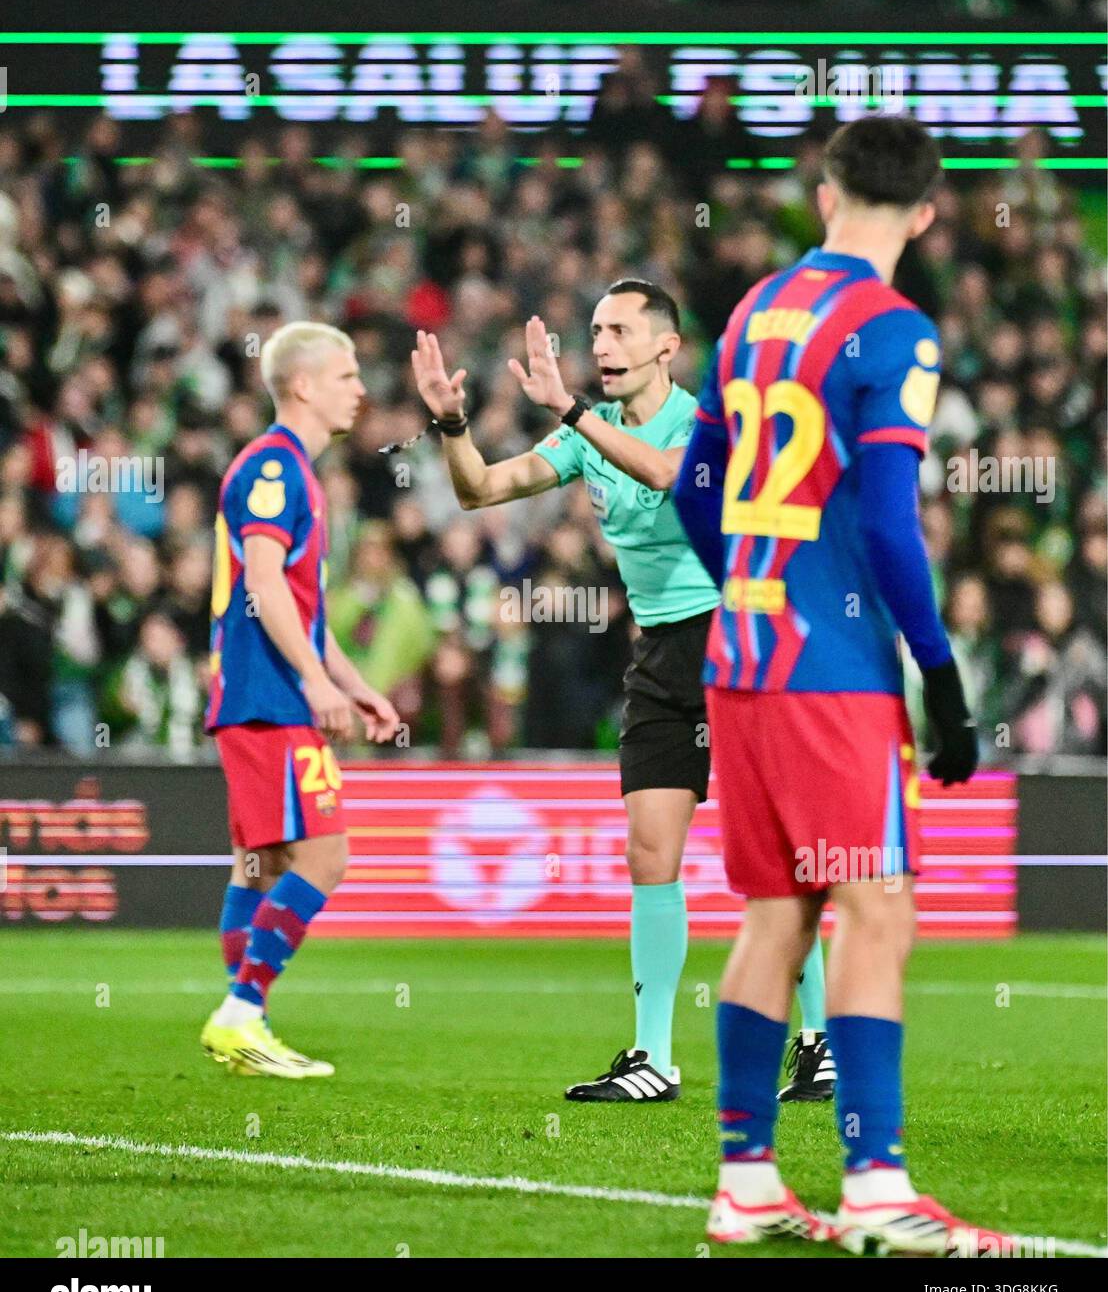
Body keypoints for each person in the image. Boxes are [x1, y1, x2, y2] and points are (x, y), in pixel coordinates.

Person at [674, 114, 1014, 1255]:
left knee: (779, 911)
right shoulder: (894, 329)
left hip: (741, 654)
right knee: (875, 907)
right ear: (924, 212)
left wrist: (750, 586)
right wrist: (942, 673)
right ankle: (876, 1186)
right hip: (829, 669)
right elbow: (882, 516)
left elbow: (692, 485)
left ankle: (747, 1183)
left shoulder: (748, 314)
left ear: (824, 195)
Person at [412, 280, 832, 1103]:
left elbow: (676, 477)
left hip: (736, 637)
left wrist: (571, 413)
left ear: (665, 348)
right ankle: (654, 1059)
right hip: (659, 655)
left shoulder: (710, 418)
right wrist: (451, 424)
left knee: (773, 853)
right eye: (595, 329)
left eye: (618, 331)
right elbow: (479, 491)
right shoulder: (587, 436)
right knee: (650, 852)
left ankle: (817, 1042)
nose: (600, 344)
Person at [200, 322, 399, 1079]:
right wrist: (315, 686)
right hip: (270, 701)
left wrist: (354, 685)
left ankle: (243, 1022)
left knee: (257, 864)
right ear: (305, 385)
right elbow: (262, 580)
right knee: (325, 857)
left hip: (262, 695)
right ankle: (242, 1011)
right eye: (347, 375)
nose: (360, 388)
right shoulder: (274, 469)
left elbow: (303, 613)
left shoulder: (294, 472)